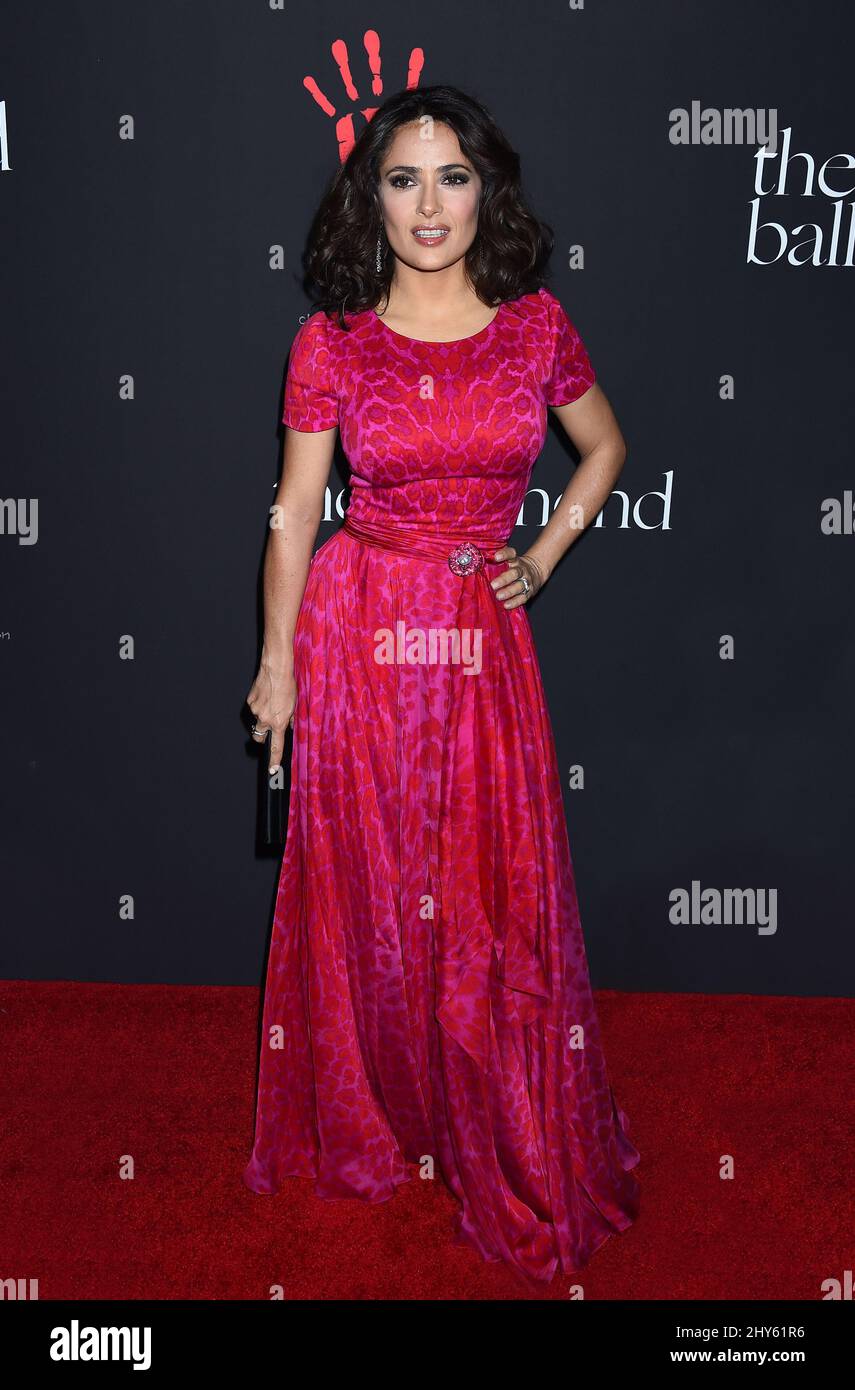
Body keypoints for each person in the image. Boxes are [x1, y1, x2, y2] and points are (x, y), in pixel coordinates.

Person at [242, 83, 640, 1285]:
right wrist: (276, 666)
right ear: (372, 196)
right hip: (358, 634)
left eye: (452, 177)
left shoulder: (535, 326)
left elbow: (607, 445)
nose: (429, 204)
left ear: (487, 193)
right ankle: (387, 1117)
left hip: (479, 640)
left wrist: (545, 551)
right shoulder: (335, 339)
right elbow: (298, 513)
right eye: (403, 178)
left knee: (486, 895)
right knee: (370, 882)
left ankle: (492, 1123)